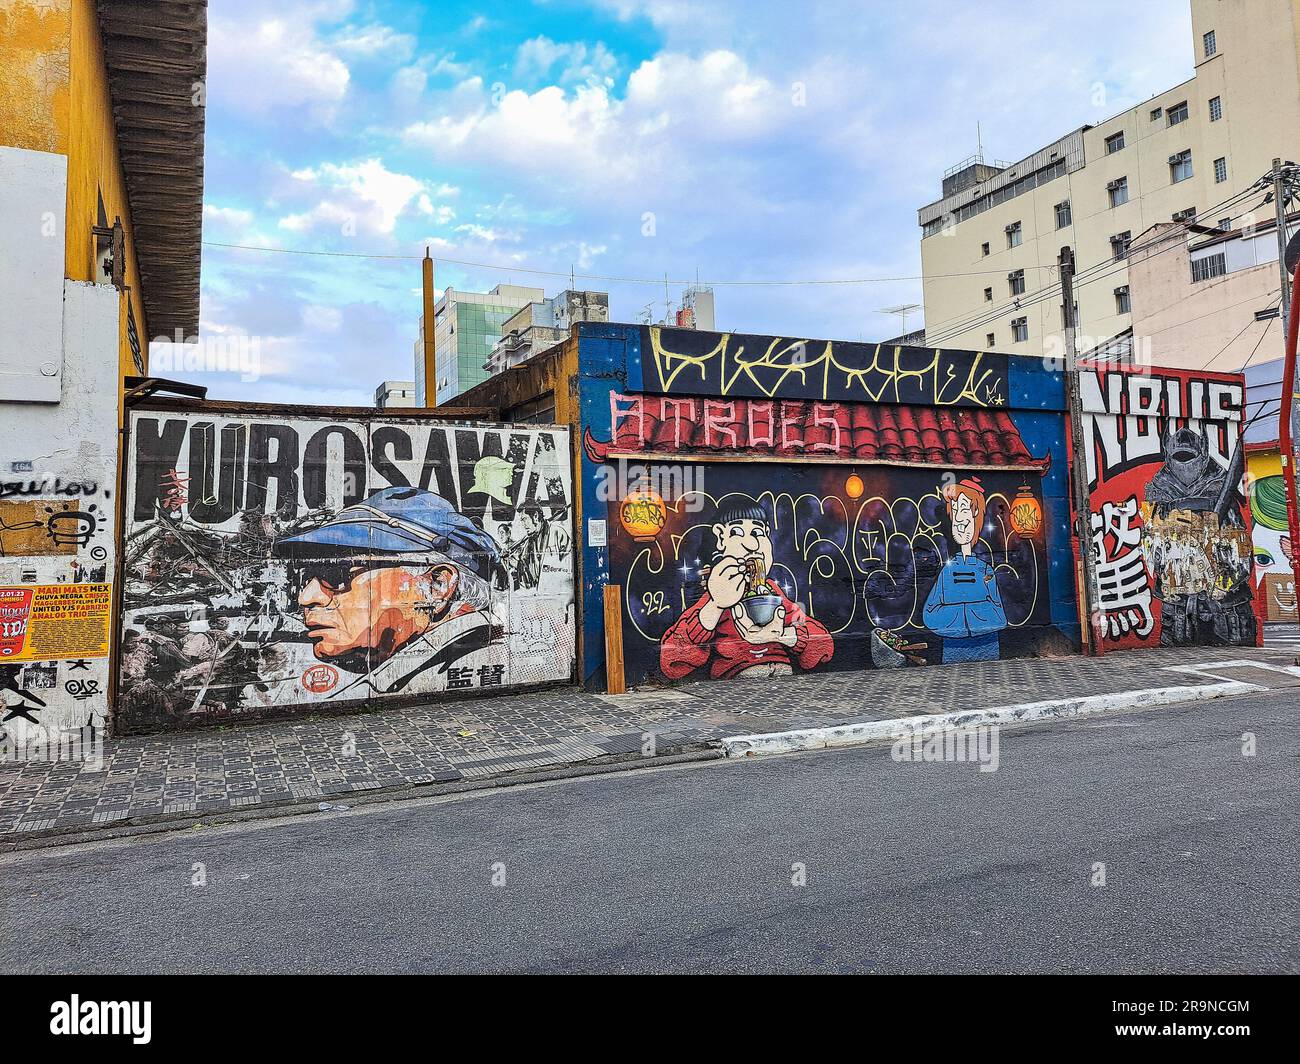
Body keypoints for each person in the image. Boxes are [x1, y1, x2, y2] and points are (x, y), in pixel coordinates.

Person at [274, 486, 505, 696]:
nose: (306, 597)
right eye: (304, 577)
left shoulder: (473, 659)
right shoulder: (401, 676)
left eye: (336, 574)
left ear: (437, 586)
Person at [660, 500, 833, 680]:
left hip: (782, 675)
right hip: (737, 676)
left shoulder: (771, 591)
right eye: (736, 532)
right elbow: (674, 659)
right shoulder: (721, 593)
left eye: (758, 533)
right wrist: (715, 605)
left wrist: (783, 635)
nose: (751, 544)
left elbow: (822, 644)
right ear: (720, 538)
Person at [923, 477, 1007, 663]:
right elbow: (930, 613)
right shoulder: (946, 573)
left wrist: (959, 611)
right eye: (955, 511)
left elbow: (999, 614)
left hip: (988, 646)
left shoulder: (986, 571)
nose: (959, 518)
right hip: (951, 649)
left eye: (964, 509)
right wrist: (970, 611)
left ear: (976, 514)